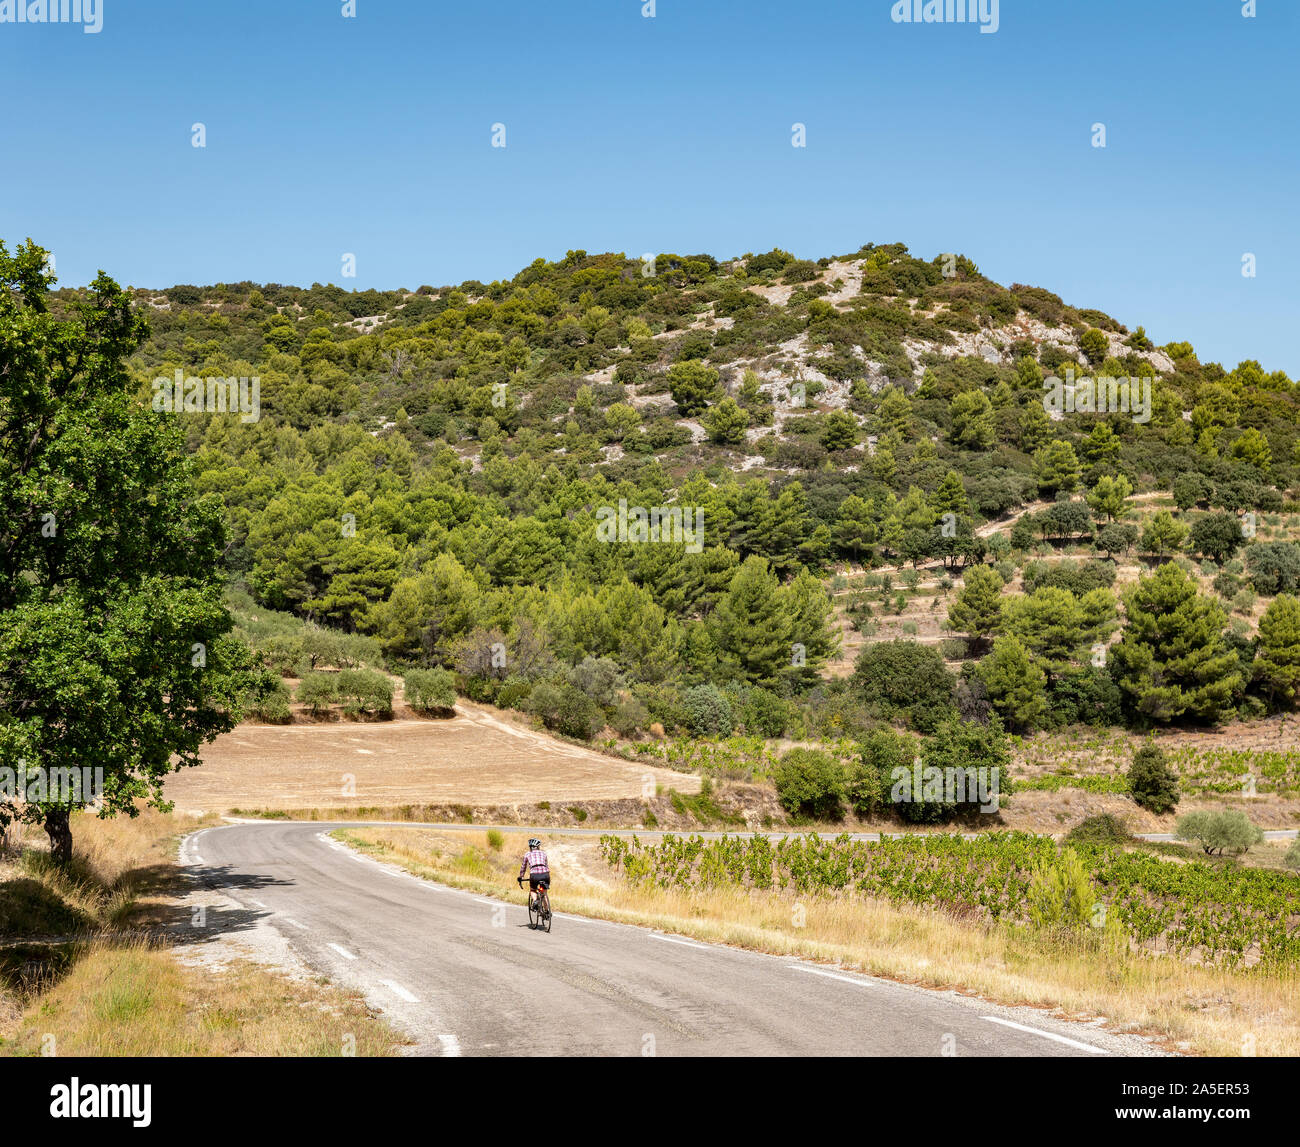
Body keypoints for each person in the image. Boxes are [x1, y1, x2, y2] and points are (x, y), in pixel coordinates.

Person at [517, 837, 550, 908]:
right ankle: (547, 912)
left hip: (534, 875)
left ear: (530, 847)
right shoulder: (544, 853)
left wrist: (521, 876)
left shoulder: (527, 854)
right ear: (538, 846)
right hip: (545, 874)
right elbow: (547, 866)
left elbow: (523, 867)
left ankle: (535, 900)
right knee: (544, 893)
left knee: (533, 890)